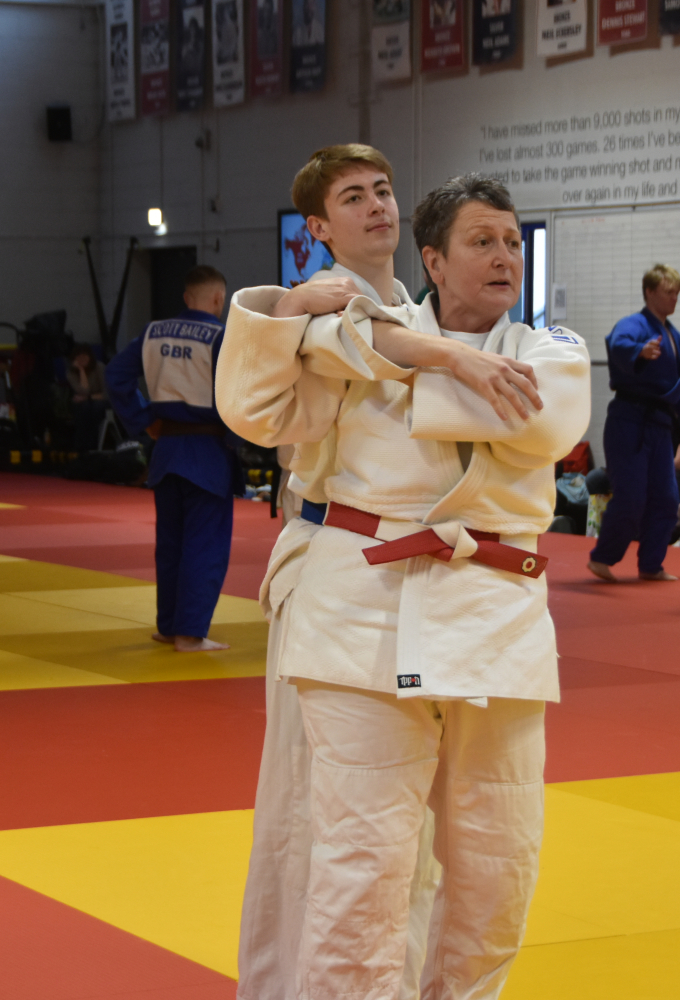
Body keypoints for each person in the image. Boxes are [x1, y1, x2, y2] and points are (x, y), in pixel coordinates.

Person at [218, 172, 591, 1000]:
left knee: (499, 867)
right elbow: (255, 407)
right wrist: (392, 344)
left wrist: (379, 353)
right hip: (358, 616)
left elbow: (540, 422)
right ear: (434, 258)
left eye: (510, 243)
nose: (503, 258)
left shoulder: (549, 352)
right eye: (481, 242)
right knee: (360, 871)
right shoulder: (354, 336)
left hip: (497, 626)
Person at [229, 144, 431, 1000]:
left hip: (417, 581)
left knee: (405, 822)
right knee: (309, 810)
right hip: (328, 570)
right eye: (355, 197)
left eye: (383, 190)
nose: (378, 206)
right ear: (319, 228)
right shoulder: (313, 312)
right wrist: (284, 305)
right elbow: (254, 413)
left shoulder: (422, 311)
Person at [107, 266, 239, 653]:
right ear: (218, 300)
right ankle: (190, 633)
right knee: (205, 545)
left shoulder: (152, 333)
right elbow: (237, 394)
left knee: (171, 543)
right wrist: (239, 441)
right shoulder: (221, 337)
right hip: (207, 452)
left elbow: (116, 375)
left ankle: (168, 626)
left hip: (166, 451)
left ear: (186, 297)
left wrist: (143, 419)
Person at [587, 264, 680, 583]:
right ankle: (602, 558)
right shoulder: (631, 325)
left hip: (660, 425)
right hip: (628, 420)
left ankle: (651, 564)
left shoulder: (675, 337)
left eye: (677, 294)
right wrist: (639, 351)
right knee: (631, 497)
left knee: (667, 499)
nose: (674, 299)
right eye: (668, 292)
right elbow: (617, 345)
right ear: (649, 292)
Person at [66, 344, 109, 451]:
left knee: (95, 406)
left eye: (84, 356)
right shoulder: (71, 373)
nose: (82, 359)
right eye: (79, 357)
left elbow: (107, 394)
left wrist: (88, 397)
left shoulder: (99, 367)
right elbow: (84, 391)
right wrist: (81, 370)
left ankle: (94, 445)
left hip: (101, 401)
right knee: (82, 407)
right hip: (85, 402)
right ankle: (81, 446)